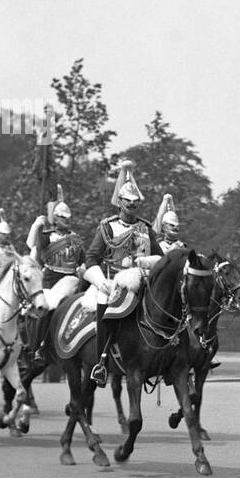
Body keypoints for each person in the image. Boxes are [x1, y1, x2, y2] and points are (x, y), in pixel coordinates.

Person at [83, 161, 163, 386]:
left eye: (135, 204)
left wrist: (147, 261)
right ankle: (101, 361)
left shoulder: (146, 228)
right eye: (128, 203)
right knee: (104, 309)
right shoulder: (107, 227)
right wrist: (100, 282)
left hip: (142, 281)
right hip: (112, 282)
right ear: (119, 203)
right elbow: (91, 258)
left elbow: (160, 258)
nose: (132, 207)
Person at [26, 184, 86, 307]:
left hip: (72, 278)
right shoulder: (47, 237)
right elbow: (31, 245)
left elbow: (82, 260)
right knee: (42, 306)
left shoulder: (76, 238)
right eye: (63, 218)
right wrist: (36, 226)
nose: (66, 220)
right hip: (49, 279)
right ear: (56, 219)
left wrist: (83, 269)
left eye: (68, 218)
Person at [0, 207, 18, 272]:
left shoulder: (10, 247)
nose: (5, 236)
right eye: (3, 234)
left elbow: (16, 261)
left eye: (6, 234)